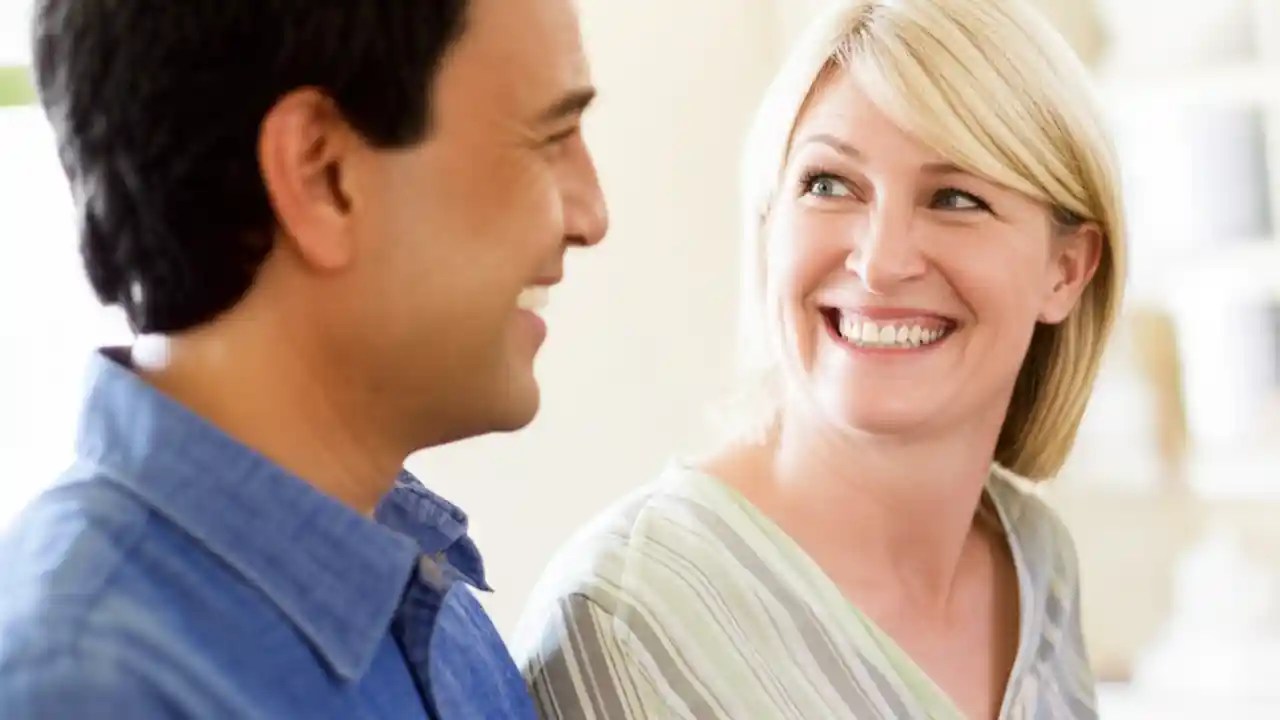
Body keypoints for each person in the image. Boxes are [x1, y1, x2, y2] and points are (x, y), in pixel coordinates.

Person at [513, 0, 1124, 717]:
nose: (879, 261)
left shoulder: (1038, 562)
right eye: (829, 185)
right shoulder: (628, 619)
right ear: (771, 223)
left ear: (1066, 270)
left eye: (955, 198)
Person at [0, 0, 607, 716]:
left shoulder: (408, 576)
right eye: (550, 136)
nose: (592, 214)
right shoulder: (87, 688)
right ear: (322, 174)